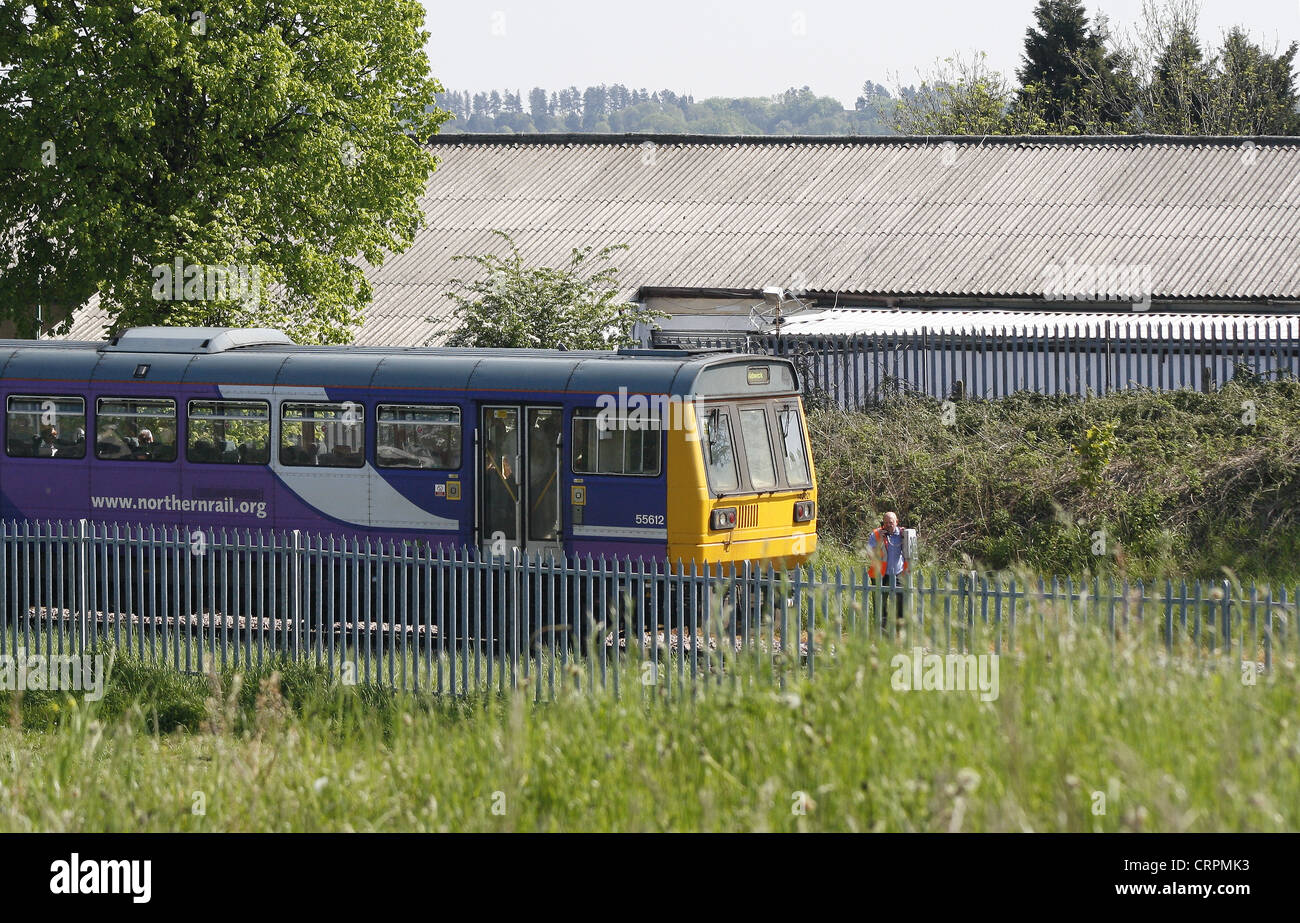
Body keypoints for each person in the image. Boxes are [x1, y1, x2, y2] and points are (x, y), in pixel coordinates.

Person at [867, 511, 909, 631]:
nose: (888, 525)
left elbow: (911, 552)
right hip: (880, 574)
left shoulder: (903, 534)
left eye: (891, 522)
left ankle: (899, 633)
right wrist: (880, 539)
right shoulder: (876, 534)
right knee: (880, 606)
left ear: (896, 522)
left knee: (901, 605)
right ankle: (882, 634)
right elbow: (871, 555)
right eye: (885, 523)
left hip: (898, 573)